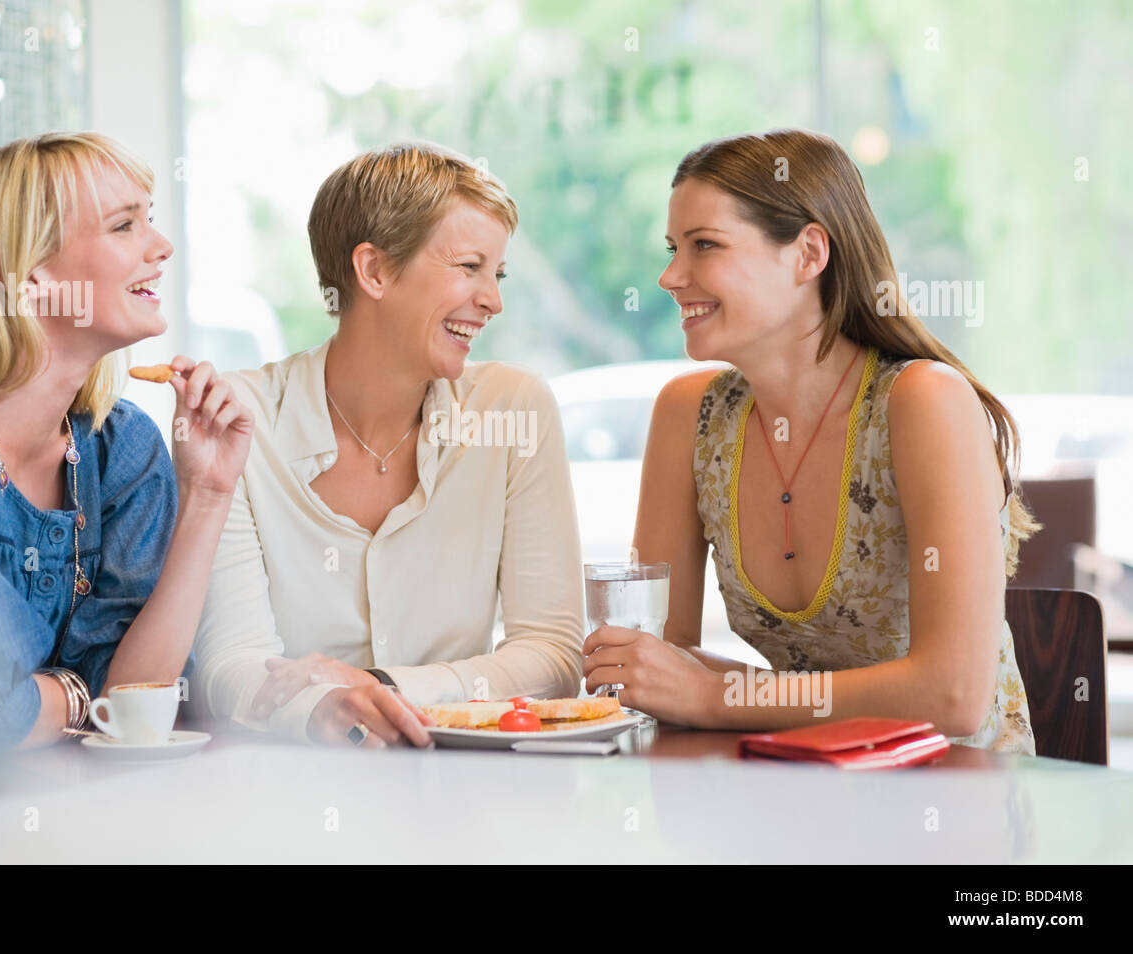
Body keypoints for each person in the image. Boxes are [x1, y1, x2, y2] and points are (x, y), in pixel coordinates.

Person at [0, 132, 254, 823]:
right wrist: (83, 696)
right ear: (33, 278)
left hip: (64, 834)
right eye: (125, 225)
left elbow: (136, 704)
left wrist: (208, 492)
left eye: (149, 217)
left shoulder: (127, 449)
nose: (161, 246)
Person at [584, 128, 1039, 752]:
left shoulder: (924, 402)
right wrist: (685, 683)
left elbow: (952, 697)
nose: (669, 276)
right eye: (671, 248)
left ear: (807, 254)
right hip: (798, 781)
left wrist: (717, 694)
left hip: (954, 802)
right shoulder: (688, 415)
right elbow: (665, 661)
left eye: (704, 246)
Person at [193, 142, 583, 747]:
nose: (493, 300)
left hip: (464, 787)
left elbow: (553, 657)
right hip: (290, 791)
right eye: (469, 266)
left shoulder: (512, 409)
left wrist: (380, 686)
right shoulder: (242, 421)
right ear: (373, 271)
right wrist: (319, 709)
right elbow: (229, 666)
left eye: (497, 274)